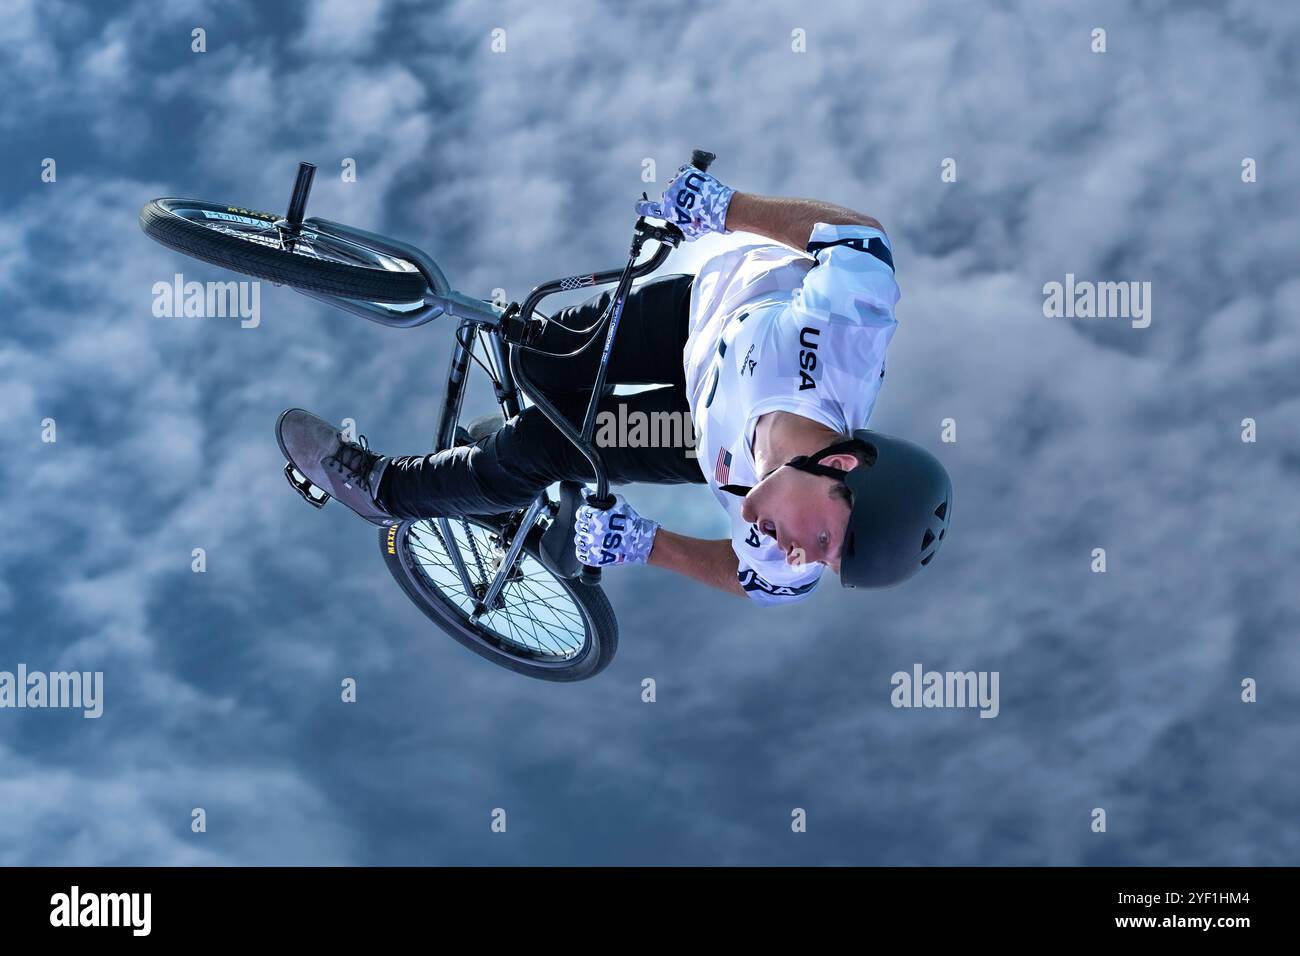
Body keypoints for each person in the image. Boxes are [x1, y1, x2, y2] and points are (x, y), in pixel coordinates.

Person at [276, 163, 951, 604]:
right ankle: (505, 472)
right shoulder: (838, 347)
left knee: (545, 444)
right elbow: (859, 240)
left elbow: (744, 578)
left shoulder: (784, 560)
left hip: (693, 432)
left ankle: (387, 491)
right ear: (839, 464)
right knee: (535, 362)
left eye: (822, 564)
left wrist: (643, 543)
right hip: (702, 316)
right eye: (825, 541)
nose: (802, 556)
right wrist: (726, 206)